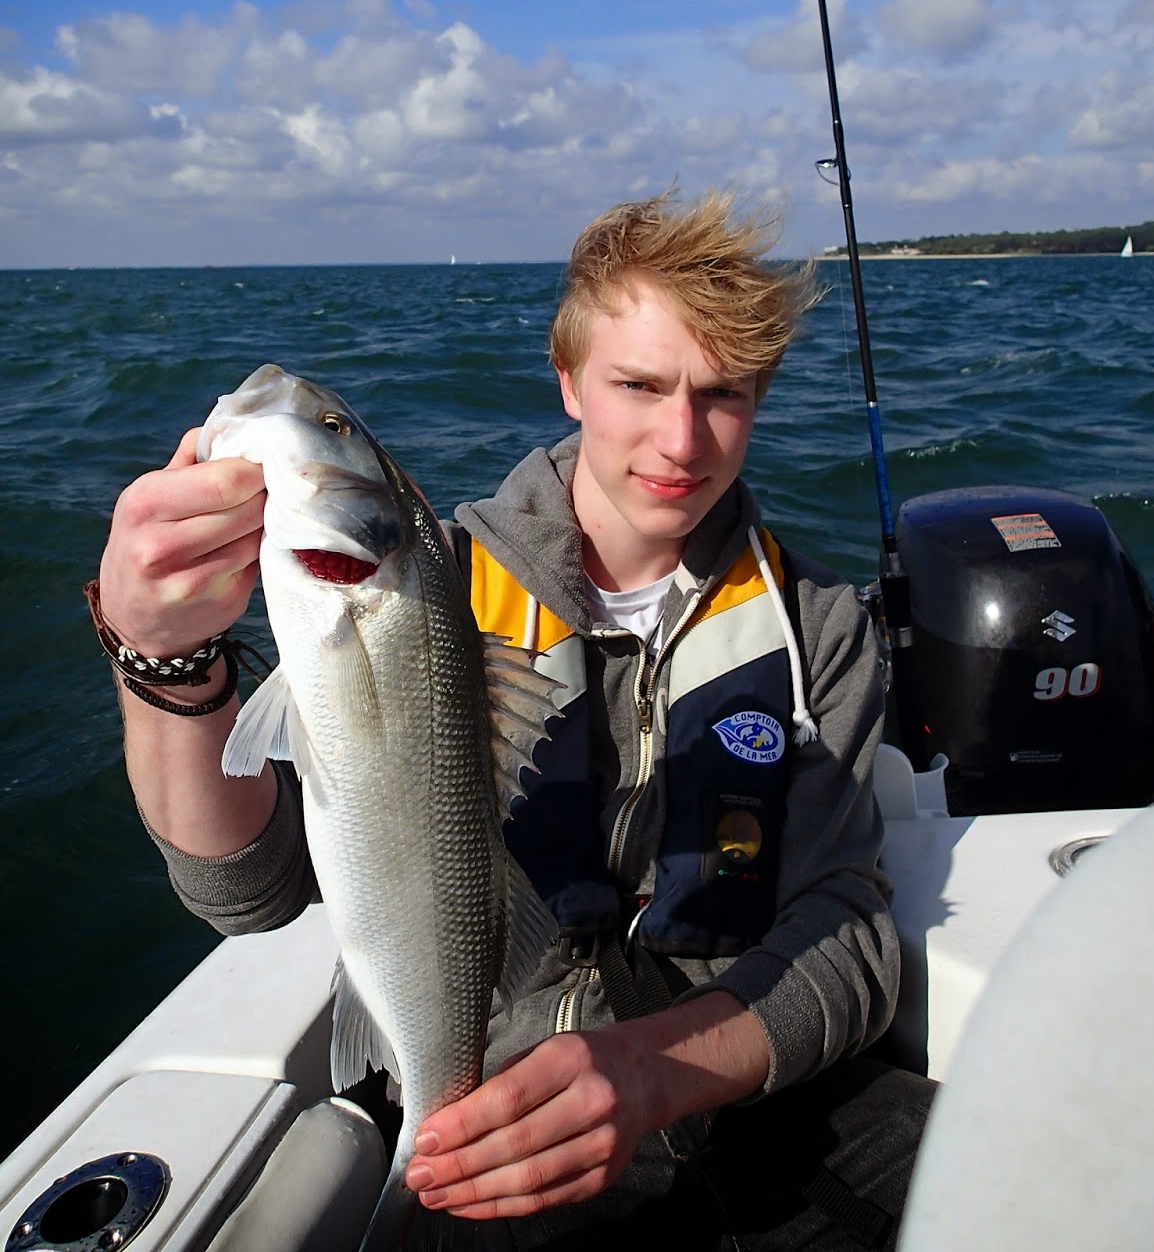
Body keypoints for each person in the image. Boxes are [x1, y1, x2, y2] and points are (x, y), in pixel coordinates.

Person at [97, 191, 934, 1249]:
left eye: (724, 393)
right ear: (568, 375)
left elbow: (849, 940)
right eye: (640, 383)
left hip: (734, 1091)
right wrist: (160, 655)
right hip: (494, 1114)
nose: (681, 438)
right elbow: (244, 889)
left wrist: (655, 1071)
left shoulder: (820, 627)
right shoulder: (431, 591)